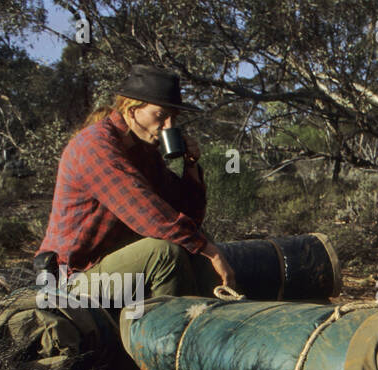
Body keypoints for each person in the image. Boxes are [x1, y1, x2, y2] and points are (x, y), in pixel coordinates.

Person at [36, 64, 235, 312]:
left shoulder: (143, 151)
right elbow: (147, 213)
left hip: (107, 265)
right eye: (161, 116)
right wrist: (210, 252)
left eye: (174, 118)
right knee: (164, 254)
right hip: (69, 278)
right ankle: (166, 341)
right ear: (132, 109)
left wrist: (191, 166)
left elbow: (189, 217)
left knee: (195, 240)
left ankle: (216, 324)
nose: (168, 126)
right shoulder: (95, 146)